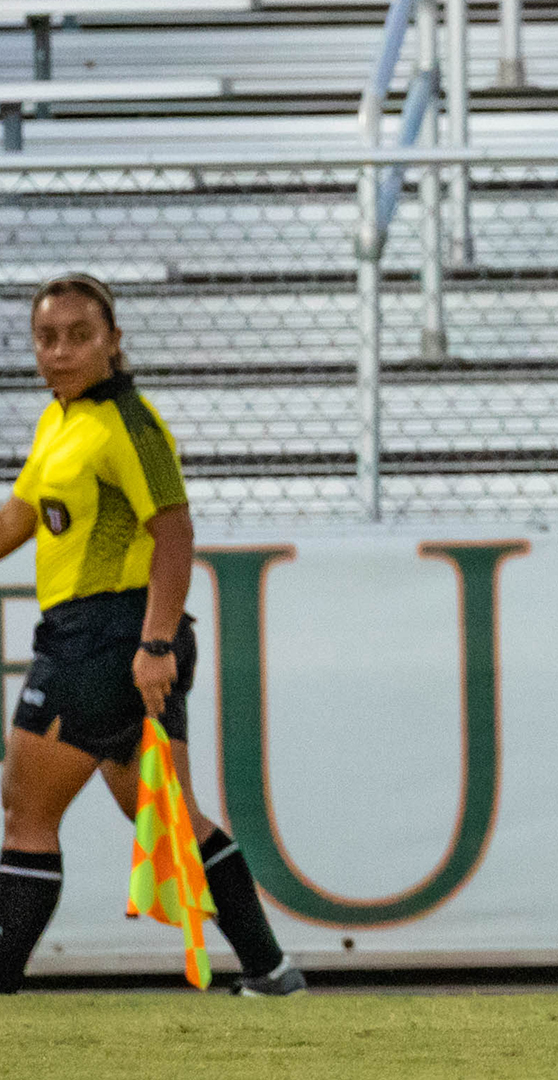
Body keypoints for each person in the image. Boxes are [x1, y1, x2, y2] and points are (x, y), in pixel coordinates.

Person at [0, 274, 303, 997]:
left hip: (106, 639)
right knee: (164, 814)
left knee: (26, 815)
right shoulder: (60, 420)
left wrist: (156, 643)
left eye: (80, 334)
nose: (62, 350)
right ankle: (270, 970)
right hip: (113, 641)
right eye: (48, 336)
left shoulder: (128, 425)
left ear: (114, 340)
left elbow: (174, 532)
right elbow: (21, 514)